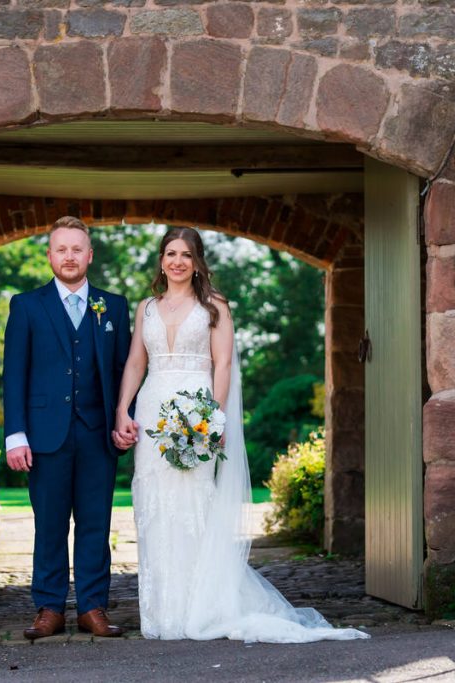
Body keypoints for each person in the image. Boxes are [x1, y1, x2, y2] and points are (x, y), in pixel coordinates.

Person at [112, 227, 369, 643]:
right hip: (152, 412)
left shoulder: (215, 306)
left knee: (194, 507)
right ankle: (163, 613)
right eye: (171, 253)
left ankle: (202, 606)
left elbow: (224, 364)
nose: (178, 261)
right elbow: (134, 363)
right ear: (161, 260)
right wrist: (123, 409)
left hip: (195, 413)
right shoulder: (145, 308)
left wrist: (213, 420)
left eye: (187, 254)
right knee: (154, 507)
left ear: (198, 262)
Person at [3, 216, 131, 640]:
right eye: (62, 249)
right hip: (45, 435)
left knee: (96, 524)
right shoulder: (27, 305)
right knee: (50, 523)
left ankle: (92, 607)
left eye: (78, 249)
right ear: (50, 256)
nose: (70, 256)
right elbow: (14, 374)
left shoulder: (113, 307)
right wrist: (15, 433)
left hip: (97, 433)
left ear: (89, 255)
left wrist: (123, 419)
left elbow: (123, 372)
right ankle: (49, 608)